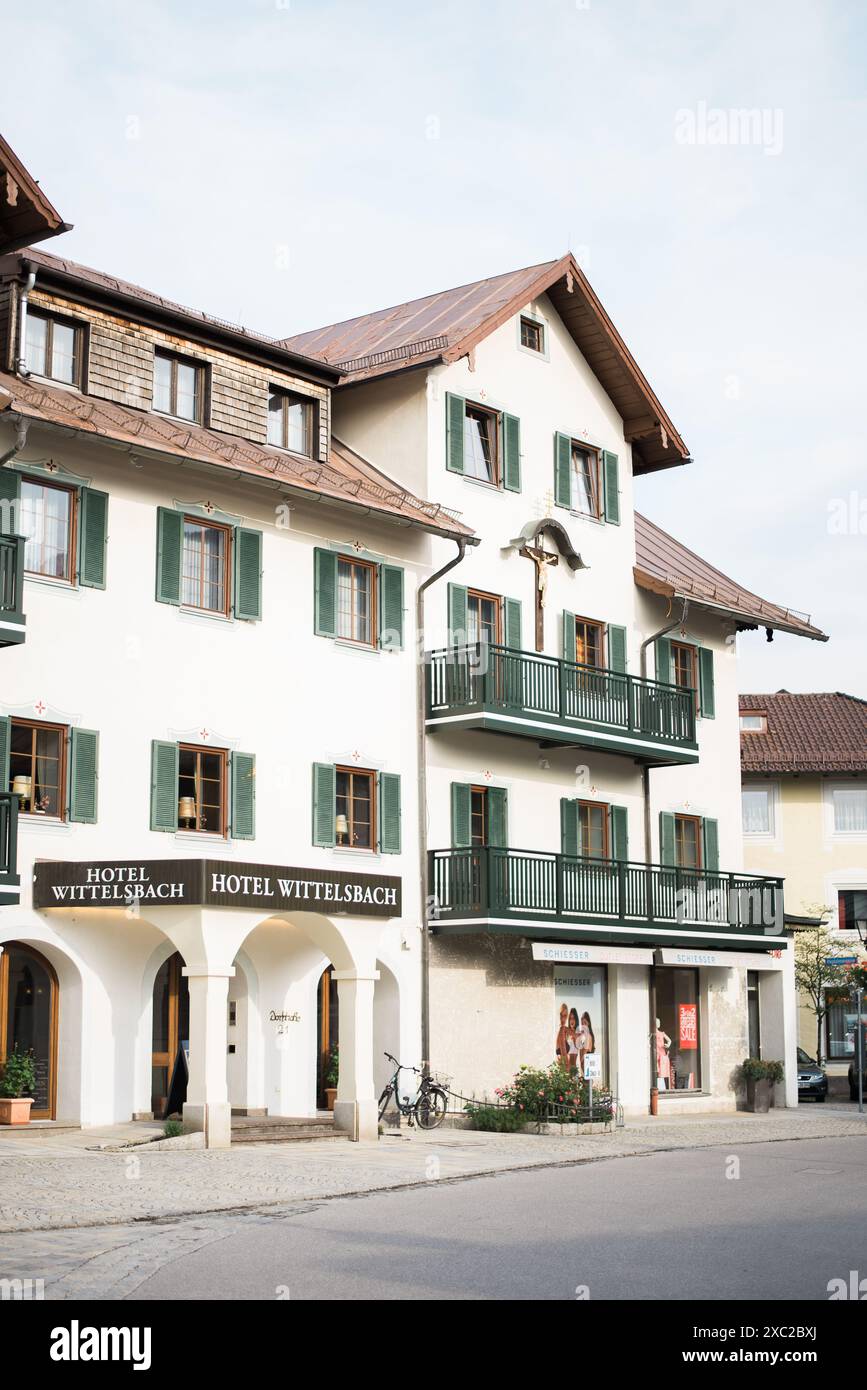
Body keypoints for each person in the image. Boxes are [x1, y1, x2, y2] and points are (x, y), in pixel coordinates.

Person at [654, 1017, 672, 1089]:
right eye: (657, 1022)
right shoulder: (653, 1033)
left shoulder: (662, 1033)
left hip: (661, 1053)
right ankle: (657, 1086)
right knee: (656, 1069)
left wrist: (667, 1045)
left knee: (661, 1070)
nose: (658, 1024)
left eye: (659, 1022)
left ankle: (661, 1087)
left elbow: (669, 1040)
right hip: (655, 1053)